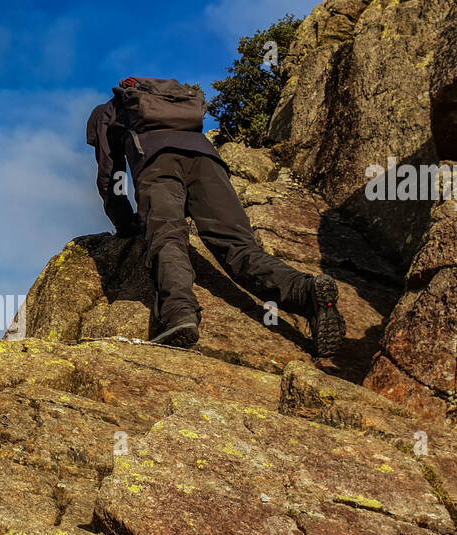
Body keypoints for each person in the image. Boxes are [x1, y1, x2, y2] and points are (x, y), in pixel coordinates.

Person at [86, 77, 344, 356]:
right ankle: (306, 293)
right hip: (208, 161)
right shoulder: (172, 99)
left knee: (168, 238)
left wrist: (125, 223)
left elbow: (111, 175)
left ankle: (179, 315)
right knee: (238, 246)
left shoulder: (106, 112)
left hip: (157, 164)